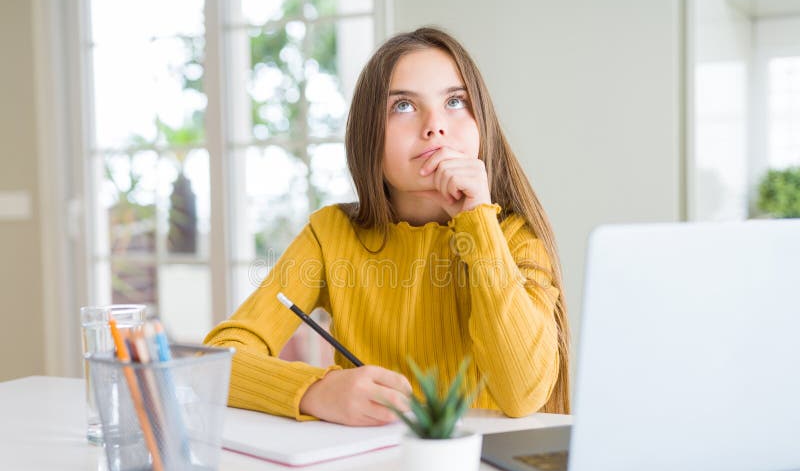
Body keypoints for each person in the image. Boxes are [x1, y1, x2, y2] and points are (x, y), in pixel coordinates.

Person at [204, 27, 570, 426]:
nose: (435, 126)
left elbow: (523, 394)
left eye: (455, 101)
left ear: (482, 122)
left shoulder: (516, 239)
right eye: (404, 107)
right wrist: (316, 390)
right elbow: (219, 363)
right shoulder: (331, 235)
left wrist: (478, 223)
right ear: (368, 137)